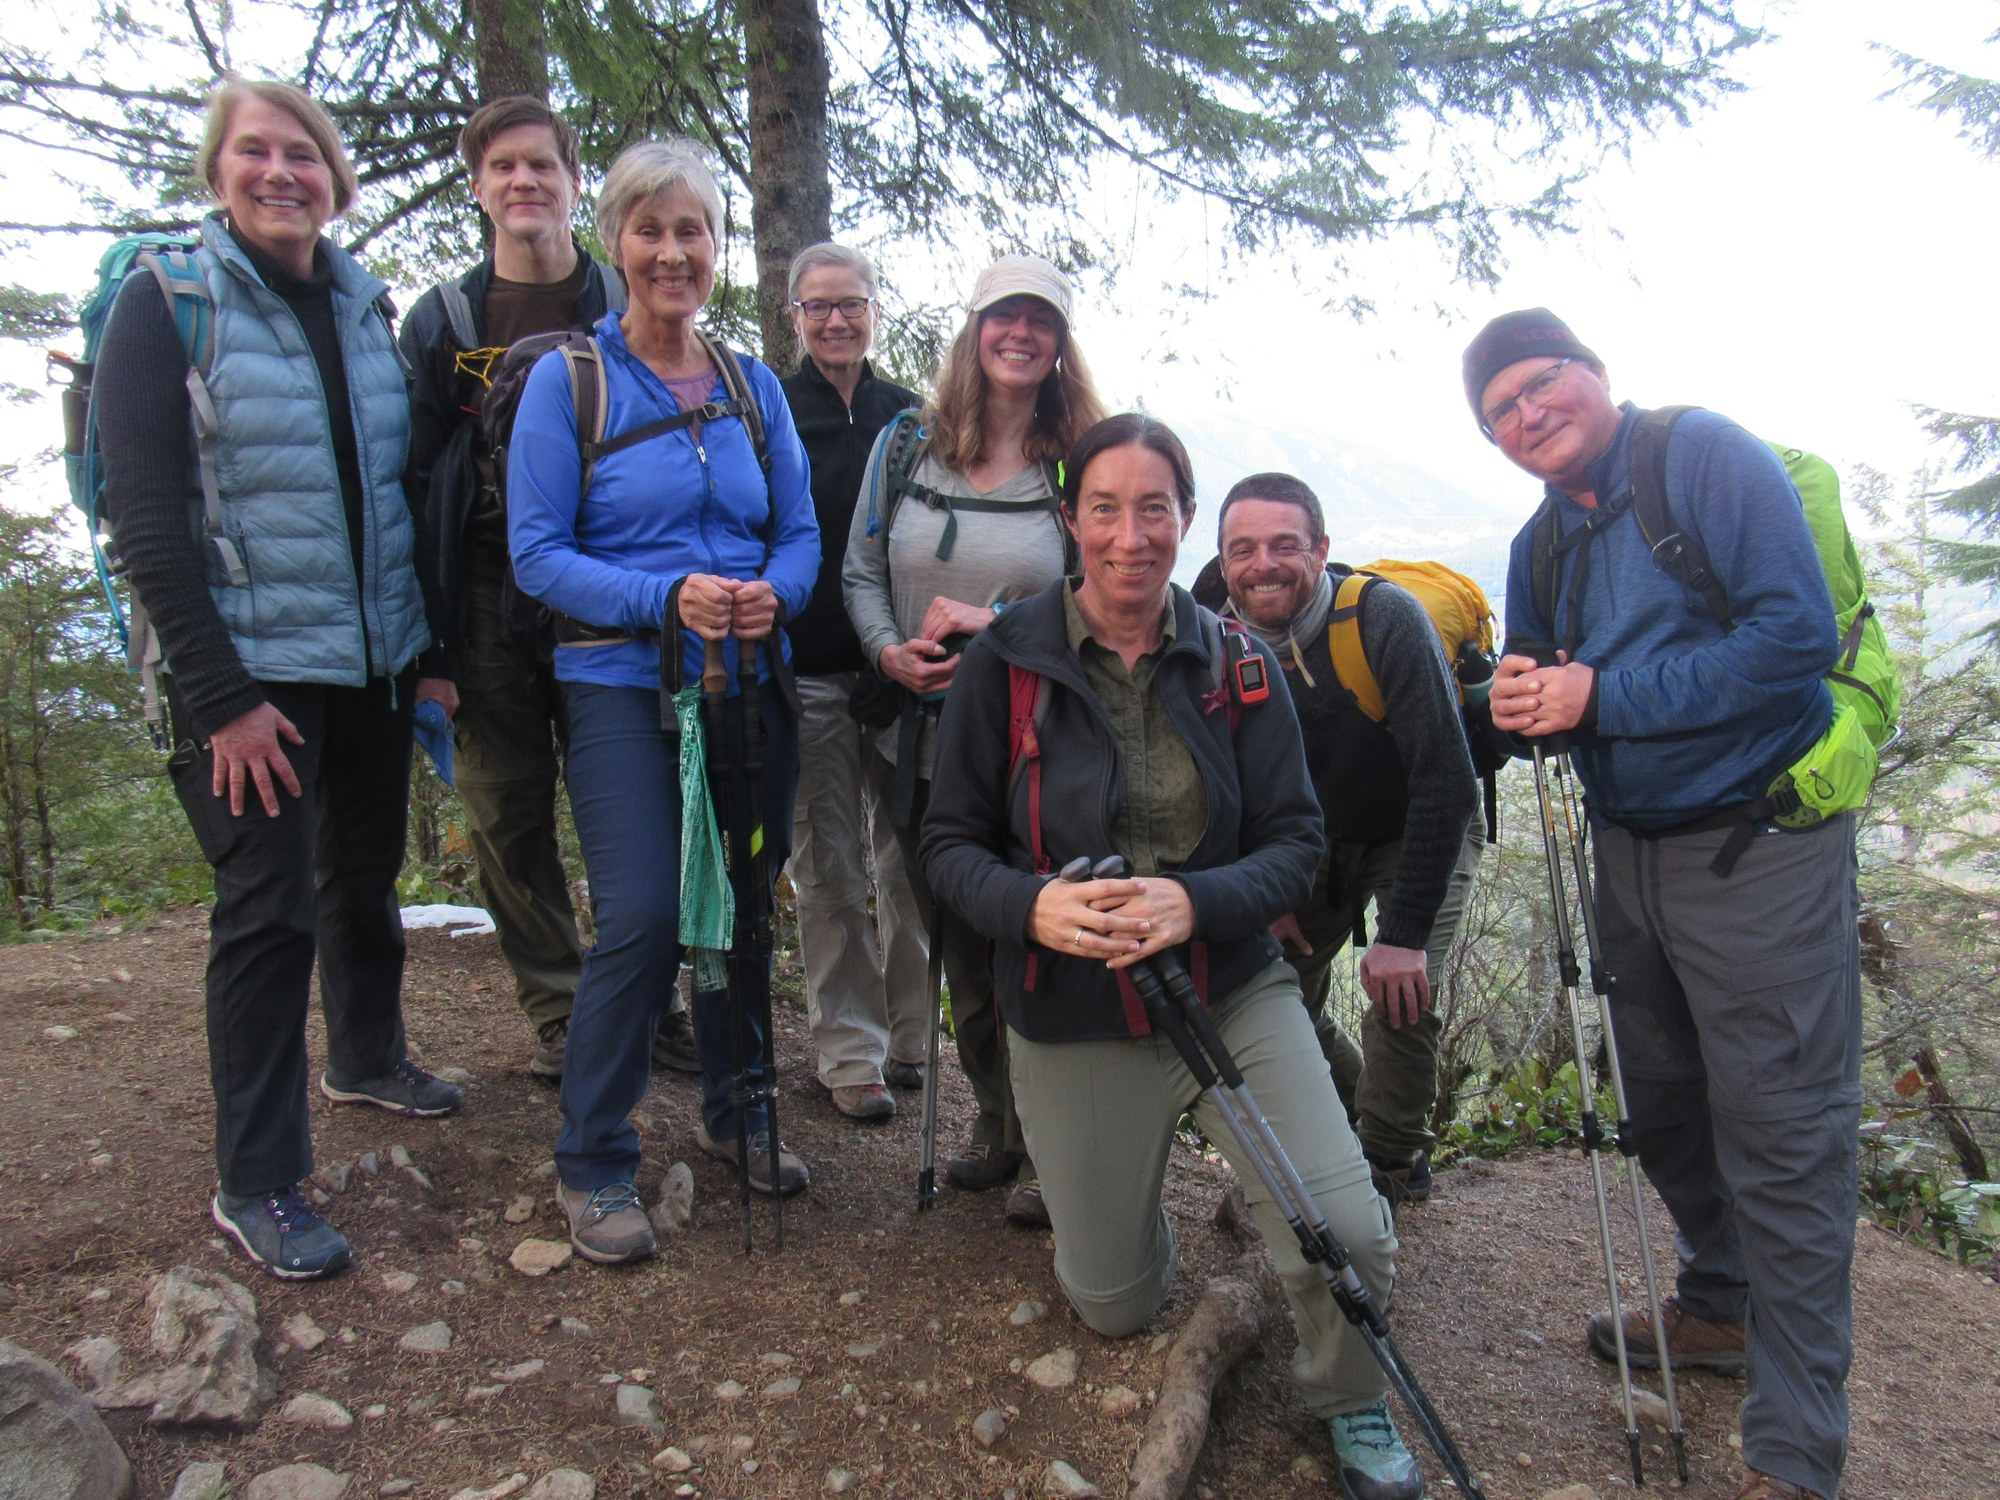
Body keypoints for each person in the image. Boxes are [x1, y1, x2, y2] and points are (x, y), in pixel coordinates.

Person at [922, 414, 1425, 1500]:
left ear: (1182, 519)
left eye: (1154, 508)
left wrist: (1192, 901)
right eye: (1103, 507)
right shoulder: (1004, 665)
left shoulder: (1236, 664)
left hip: (1227, 988)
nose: (1129, 534)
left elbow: (1296, 845)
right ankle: (1132, 1202)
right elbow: (947, 844)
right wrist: (1032, 910)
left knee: (1344, 1226)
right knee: (1110, 1304)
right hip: (1068, 1006)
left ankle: (1350, 1397)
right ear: (1069, 519)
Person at [1468, 309, 1857, 1500]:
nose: (1528, 415)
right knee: (1663, 1104)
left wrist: (1599, 697)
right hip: (1628, 851)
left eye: (1540, 386)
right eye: (1500, 413)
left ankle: (1793, 1454)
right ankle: (1718, 1303)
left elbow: (1794, 637)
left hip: (1756, 845)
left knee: (1782, 1135)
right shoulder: (1541, 543)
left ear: (1593, 372)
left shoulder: (1699, 456)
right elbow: (1546, 672)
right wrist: (1518, 695)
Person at [94, 78, 461, 1281]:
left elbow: (398, 499)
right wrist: (220, 698)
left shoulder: (364, 309)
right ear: (217, 171)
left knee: (361, 871)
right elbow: (144, 518)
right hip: (244, 666)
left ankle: (366, 1055)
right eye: (253, 152)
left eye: (302, 154)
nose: (279, 173)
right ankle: (256, 1178)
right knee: (266, 907)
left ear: (335, 178)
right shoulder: (167, 304)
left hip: (364, 658)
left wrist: (425, 658)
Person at [507, 138, 819, 1265]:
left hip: (745, 682)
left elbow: (797, 532)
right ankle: (592, 1156)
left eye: (692, 232)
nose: (672, 252)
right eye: (650, 231)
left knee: (741, 900)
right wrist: (665, 596)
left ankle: (741, 1111)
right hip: (620, 694)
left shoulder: (750, 385)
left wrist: (767, 599)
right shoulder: (568, 383)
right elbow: (537, 556)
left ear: (716, 248)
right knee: (641, 912)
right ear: (615, 243)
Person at [399, 98, 697, 1083]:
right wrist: (431, 651)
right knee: (506, 804)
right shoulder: (443, 320)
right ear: (478, 186)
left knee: (636, 801)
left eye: (543, 166)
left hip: (610, 590)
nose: (524, 183)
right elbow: (411, 484)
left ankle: (645, 998)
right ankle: (561, 1007)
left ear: (575, 185)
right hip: (486, 593)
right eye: (503, 168)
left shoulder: (628, 293)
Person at [842, 253, 1106, 1227]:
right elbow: (860, 568)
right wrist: (886, 651)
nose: (1020, 334)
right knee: (957, 938)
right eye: (1005, 315)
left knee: (1041, 937)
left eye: (1040, 319)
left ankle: (1054, 1145)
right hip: (916, 737)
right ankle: (996, 1125)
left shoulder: (1081, 454)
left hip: (1038, 737)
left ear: (1059, 340)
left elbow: (1107, 594)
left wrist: (996, 629)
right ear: (975, 326)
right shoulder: (909, 441)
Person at [1197, 475, 1482, 1204]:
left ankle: (1388, 1164)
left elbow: (1445, 778)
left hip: (1419, 820)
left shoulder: (1383, 620)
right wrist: (1258, 885)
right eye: (1244, 548)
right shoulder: (1205, 626)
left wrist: (1405, 933)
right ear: (1222, 558)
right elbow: (1209, 774)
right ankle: (1351, 1116)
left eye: (1286, 545)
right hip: (1307, 834)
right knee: (1264, 990)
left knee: (1401, 990)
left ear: (1321, 550)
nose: (1264, 564)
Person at [777, 244, 929, 1123]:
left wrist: (897, 654)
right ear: (795, 314)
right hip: (808, 674)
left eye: (853, 304)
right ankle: (850, 1052)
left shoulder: (908, 417)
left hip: (901, 674)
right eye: (819, 306)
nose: (837, 320)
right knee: (828, 867)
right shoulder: (772, 408)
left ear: (876, 309)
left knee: (911, 865)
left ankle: (914, 1039)